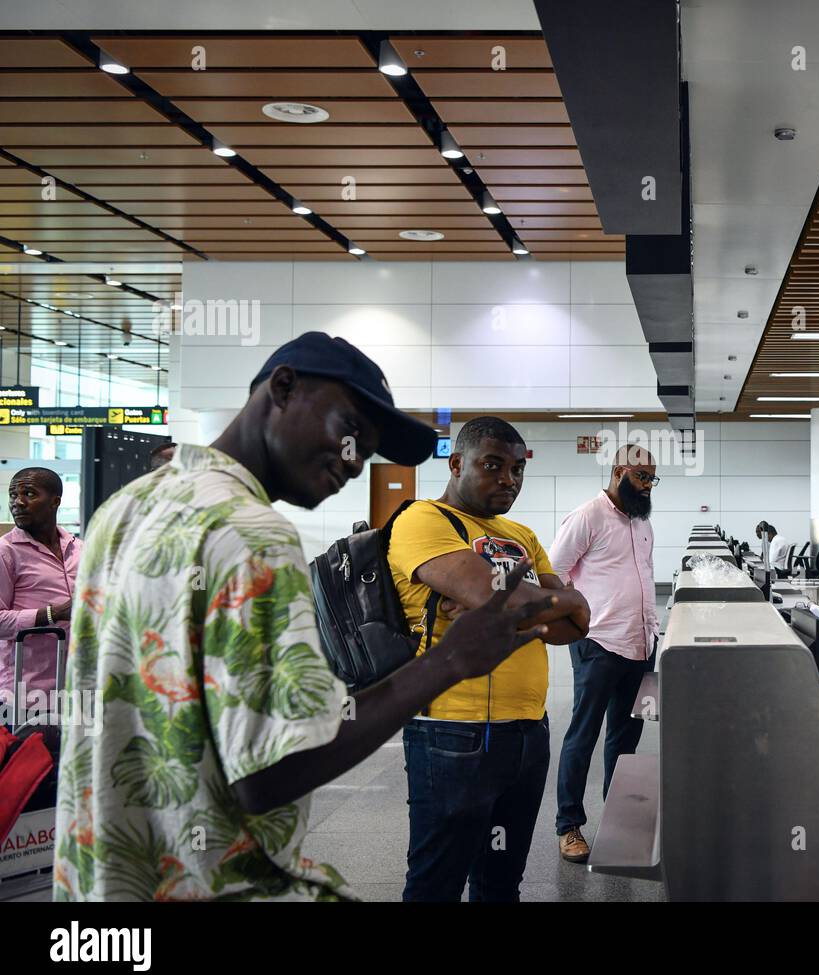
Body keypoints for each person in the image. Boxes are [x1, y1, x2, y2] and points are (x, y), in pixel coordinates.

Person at [54, 334, 557, 901]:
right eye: (350, 432)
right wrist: (448, 661)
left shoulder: (128, 506)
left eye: (366, 449)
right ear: (284, 387)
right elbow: (270, 772)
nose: (353, 461)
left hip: (99, 878)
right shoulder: (253, 535)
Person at [388, 415, 590, 901]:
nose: (509, 479)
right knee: (436, 882)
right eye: (493, 465)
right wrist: (537, 597)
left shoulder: (521, 533)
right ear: (457, 464)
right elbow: (518, 597)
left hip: (526, 731)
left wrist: (505, 604)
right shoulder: (421, 520)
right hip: (452, 732)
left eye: (518, 469)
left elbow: (576, 622)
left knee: (501, 883)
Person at [549, 444, 659, 863]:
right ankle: (569, 825)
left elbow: (643, 575)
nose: (647, 486)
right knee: (584, 733)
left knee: (626, 738)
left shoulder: (642, 522)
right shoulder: (587, 517)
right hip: (598, 643)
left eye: (652, 478)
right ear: (618, 472)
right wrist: (579, 624)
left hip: (640, 643)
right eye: (641, 476)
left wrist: (653, 631)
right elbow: (554, 575)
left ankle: (618, 816)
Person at [0, 468, 80, 711]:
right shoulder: (6, 552)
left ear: (55, 501)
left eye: (29, 493)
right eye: (13, 495)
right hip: (24, 696)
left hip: (77, 692)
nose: (18, 503)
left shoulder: (80, 549)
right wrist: (52, 614)